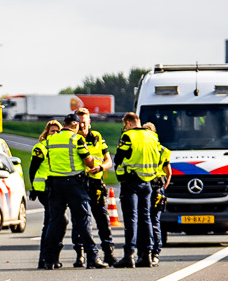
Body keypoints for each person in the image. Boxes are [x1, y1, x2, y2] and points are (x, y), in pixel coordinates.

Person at [33, 118, 94, 269]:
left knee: (54, 222)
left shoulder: (49, 141)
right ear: (75, 125)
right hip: (74, 184)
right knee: (82, 220)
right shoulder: (77, 139)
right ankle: (92, 257)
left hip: (55, 185)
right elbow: (89, 162)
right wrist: (93, 162)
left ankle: (49, 259)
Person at [114, 112, 170, 267]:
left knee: (131, 218)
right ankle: (146, 255)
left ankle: (129, 255)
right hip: (148, 182)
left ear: (128, 122)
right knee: (146, 218)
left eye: (124, 124)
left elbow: (118, 157)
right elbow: (158, 157)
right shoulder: (152, 136)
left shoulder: (128, 136)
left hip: (130, 181)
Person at [68, 106, 118, 268]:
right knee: (79, 220)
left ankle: (109, 253)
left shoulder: (96, 136)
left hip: (96, 183)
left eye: (84, 122)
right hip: (79, 183)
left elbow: (108, 160)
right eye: (79, 122)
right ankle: (80, 254)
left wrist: (101, 168)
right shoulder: (72, 138)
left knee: (102, 219)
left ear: (89, 121)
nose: (82, 125)